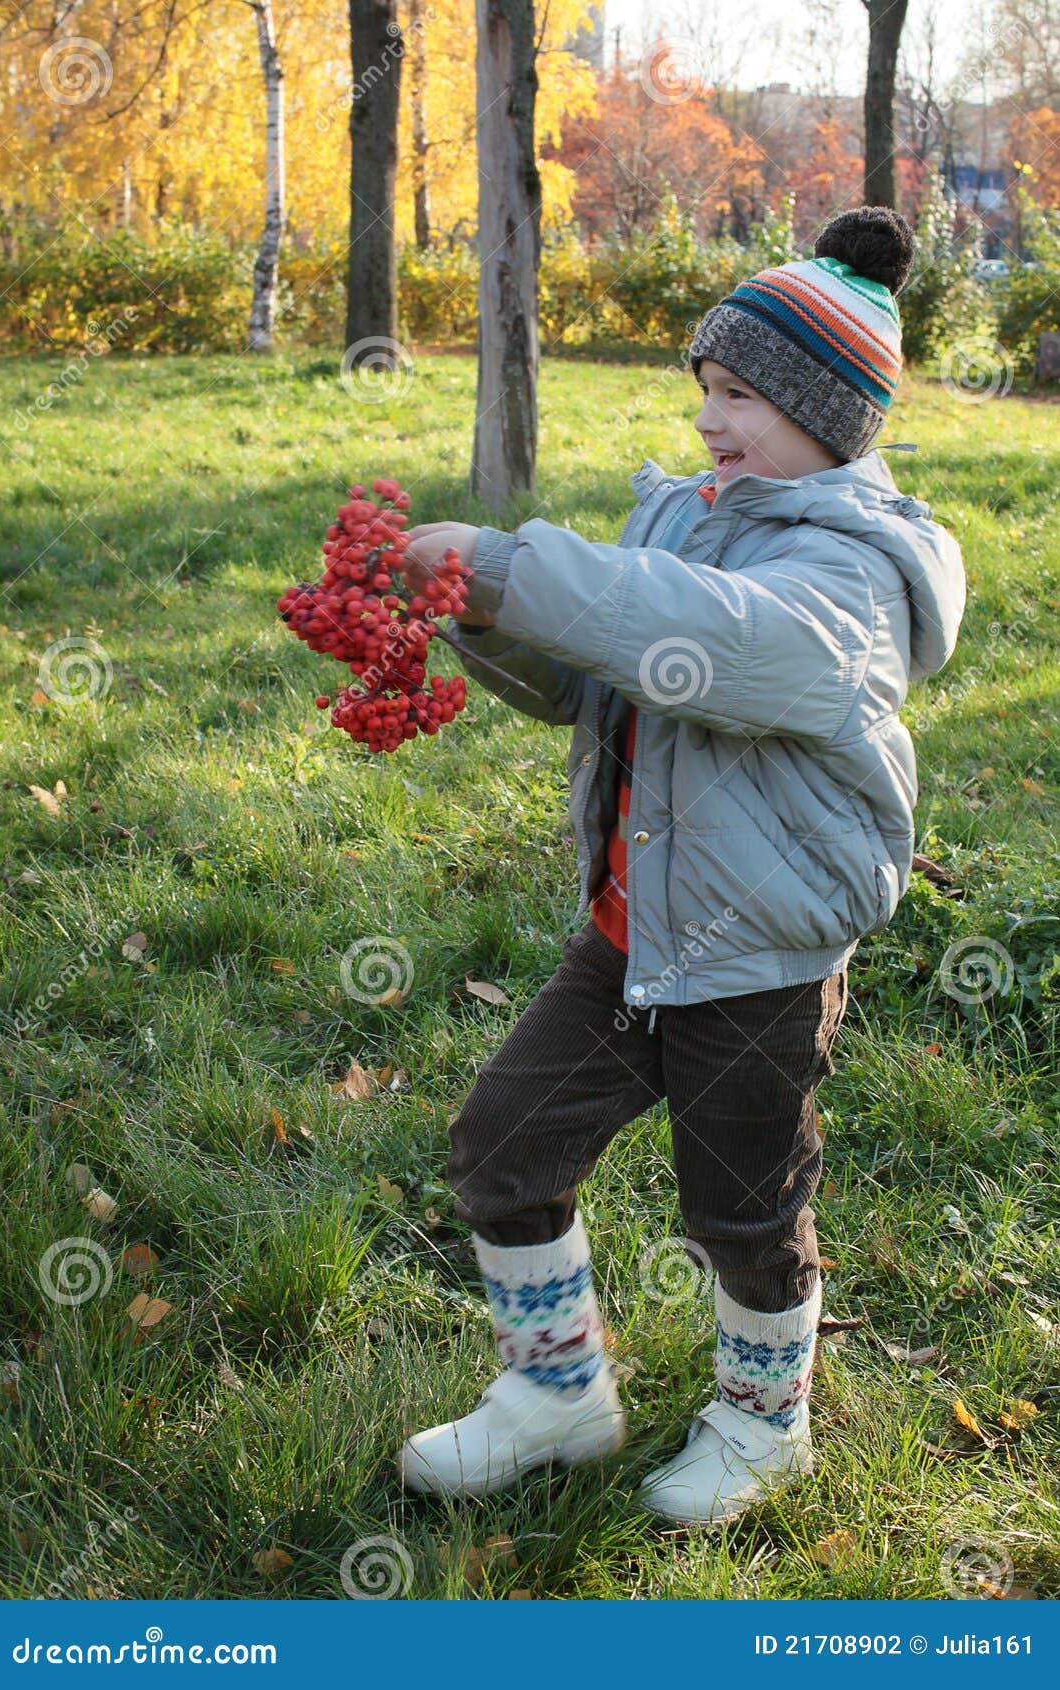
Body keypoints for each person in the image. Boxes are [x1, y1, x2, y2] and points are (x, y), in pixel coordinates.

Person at [394, 205, 967, 1526]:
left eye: (749, 396)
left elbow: (719, 645)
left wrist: (519, 560)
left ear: (836, 413)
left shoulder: (849, 576)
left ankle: (764, 1425)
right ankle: (555, 1390)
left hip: (756, 957)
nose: (715, 419)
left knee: (743, 1210)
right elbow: (584, 671)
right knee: (503, 1144)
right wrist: (481, 610)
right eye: (708, 388)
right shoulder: (684, 521)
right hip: (631, 928)